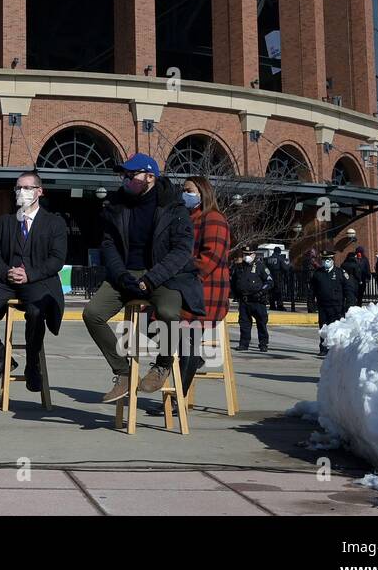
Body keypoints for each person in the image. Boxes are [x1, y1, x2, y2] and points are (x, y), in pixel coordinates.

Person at [82, 153, 205, 402]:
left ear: (150, 176)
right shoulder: (116, 204)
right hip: (126, 273)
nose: (126, 179)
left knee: (170, 313)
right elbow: (108, 245)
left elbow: (182, 250)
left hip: (163, 275)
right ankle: (123, 372)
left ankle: (163, 363)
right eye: (124, 175)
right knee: (92, 314)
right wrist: (122, 276)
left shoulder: (173, 206)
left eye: (132, 174)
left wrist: (151, 279)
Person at [0, 170, 68, 390]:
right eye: (18, 188)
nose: (22, 192)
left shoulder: (54, 223)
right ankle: (2, 357)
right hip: (7, 281)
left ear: (39, 192)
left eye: (27, 188)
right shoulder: (3, 222)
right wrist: (7, 272)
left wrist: (29, 274)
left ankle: (32, 365)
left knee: (35, 312)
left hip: (39, 280)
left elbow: (57, 259)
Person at [178, 175, 230, 394]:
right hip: (189, 288)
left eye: (189, 190)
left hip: (205, 292)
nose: (184, 194)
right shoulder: (188, 219)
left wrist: (179, 278)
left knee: (184, 339)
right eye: (184, 190)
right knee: (149, 319)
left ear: (203, 192)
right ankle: (191, 360)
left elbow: (209, 259)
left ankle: (177, 397)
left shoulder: (214, 218)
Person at [309, 254, 357, 355]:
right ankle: (323, 348)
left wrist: (349, 304)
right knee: (323, 327)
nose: (326, 262)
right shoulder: (318, 273)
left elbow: (349, 289)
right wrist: (311, 303)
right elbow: (312, 290)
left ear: (332, 261)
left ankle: (335, 349)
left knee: (335, 327)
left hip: (337, 306)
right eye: (324, 259)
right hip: (322, 305)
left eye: (328, 259)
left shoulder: (340, 273)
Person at [230, 247, 272, 351]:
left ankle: (263, 344)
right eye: (245, 254)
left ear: (254, 254)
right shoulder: (239, 267)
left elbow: (270, 282)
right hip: (244, 301)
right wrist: (235, 295)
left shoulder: (260, 266)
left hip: (257, 300)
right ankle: (244, 344)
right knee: (244, 323)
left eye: (249, 254)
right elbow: (234, 282)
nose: (247, 256)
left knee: (261, 323)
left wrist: (261, 292)